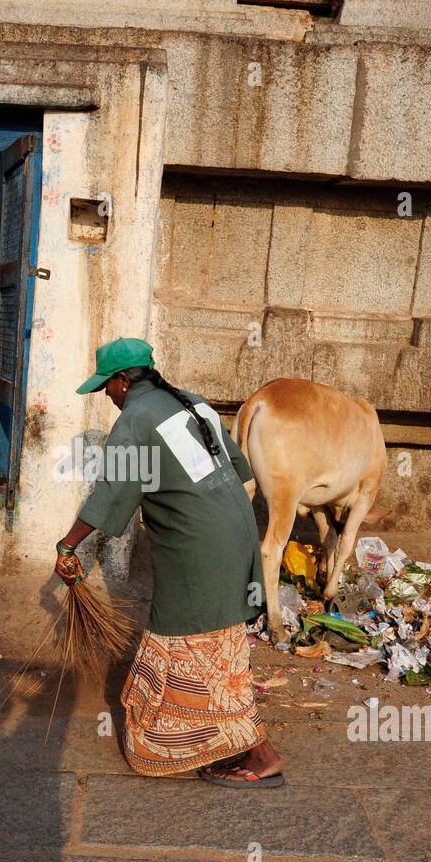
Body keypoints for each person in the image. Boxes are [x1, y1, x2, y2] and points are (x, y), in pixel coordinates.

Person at [54, 337, 283, 788]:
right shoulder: (193, 403)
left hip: (199, 548)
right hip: (236, 533)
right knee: (211, 642)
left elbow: (110, 494)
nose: (107, 396)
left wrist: (68, 545)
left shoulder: (136, 418)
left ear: (124, 380)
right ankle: (223, 740)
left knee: (197, 644)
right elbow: (239, 469)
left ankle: (260, 752)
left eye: (107, 386)